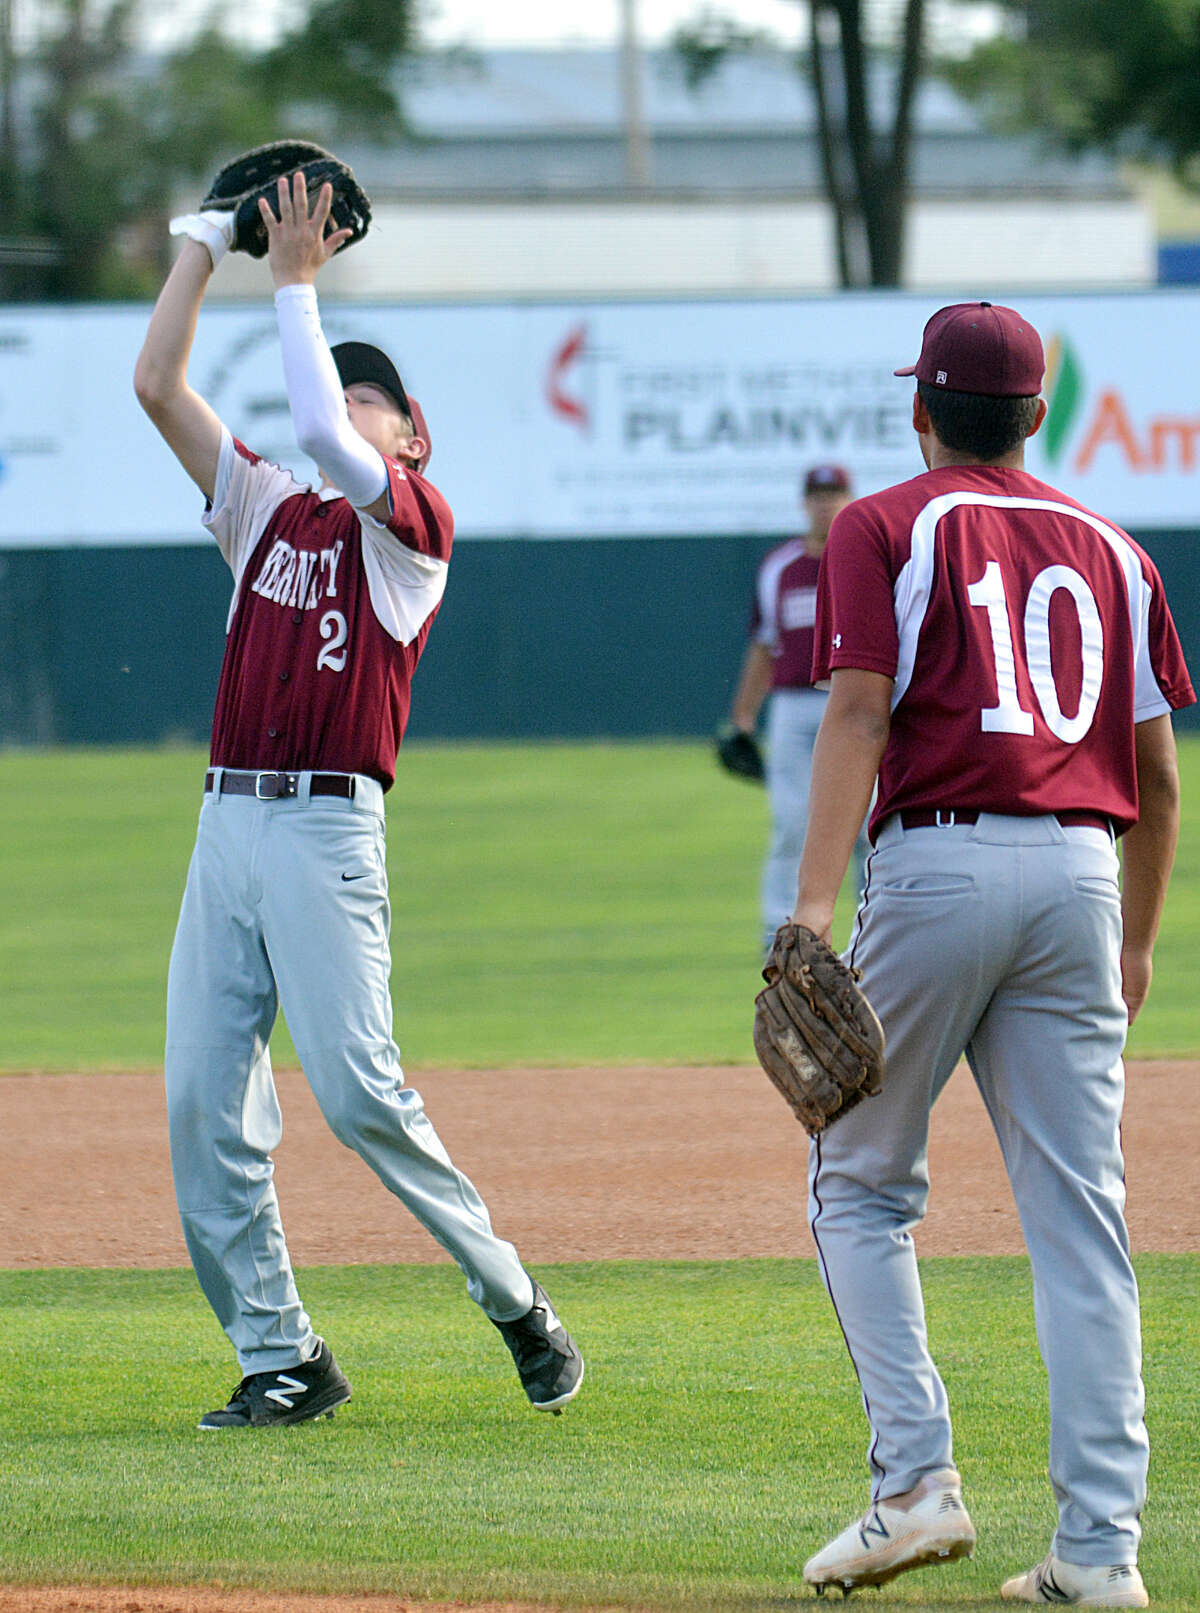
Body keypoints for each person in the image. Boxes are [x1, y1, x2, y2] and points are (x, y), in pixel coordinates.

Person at [134, 170, 583, 1429]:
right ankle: (282, 1351)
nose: (347, 413)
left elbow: (328, 431)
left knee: (356, 1089)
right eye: (345, 390)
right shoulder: (267, 508)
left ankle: (515, 1302)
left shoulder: (412, 539)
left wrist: (295, 281)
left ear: (412, 440)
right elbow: (157, 388)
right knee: (196, 1099)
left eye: (372, 401)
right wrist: (199, 245)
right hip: (227, 821)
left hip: (329, 829)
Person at [790, 303, 1192, 1604]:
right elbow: (1161, 779)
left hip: (940, 859)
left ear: (922, 411)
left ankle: (913, 1486)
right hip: (1082, 873)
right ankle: (1099, 1555)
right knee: (1084, 1226)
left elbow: (857, 710)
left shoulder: (883, 524)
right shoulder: (1116, 550)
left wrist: (804, 911)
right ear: (1034, 415)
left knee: (859, 1183)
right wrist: (1134, 940)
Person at [722, 465, 869, 951]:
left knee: (871, 822)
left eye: (834, 494)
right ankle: (778, 929)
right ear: (804, 503)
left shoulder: (867, 557)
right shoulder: (779, 567)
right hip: (792, 706)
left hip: (855, 703)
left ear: (850, 497)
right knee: (791, 822)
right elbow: (765, 647)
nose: (825, 504)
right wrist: (743, 717)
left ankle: (876, 928)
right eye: (817, 495)